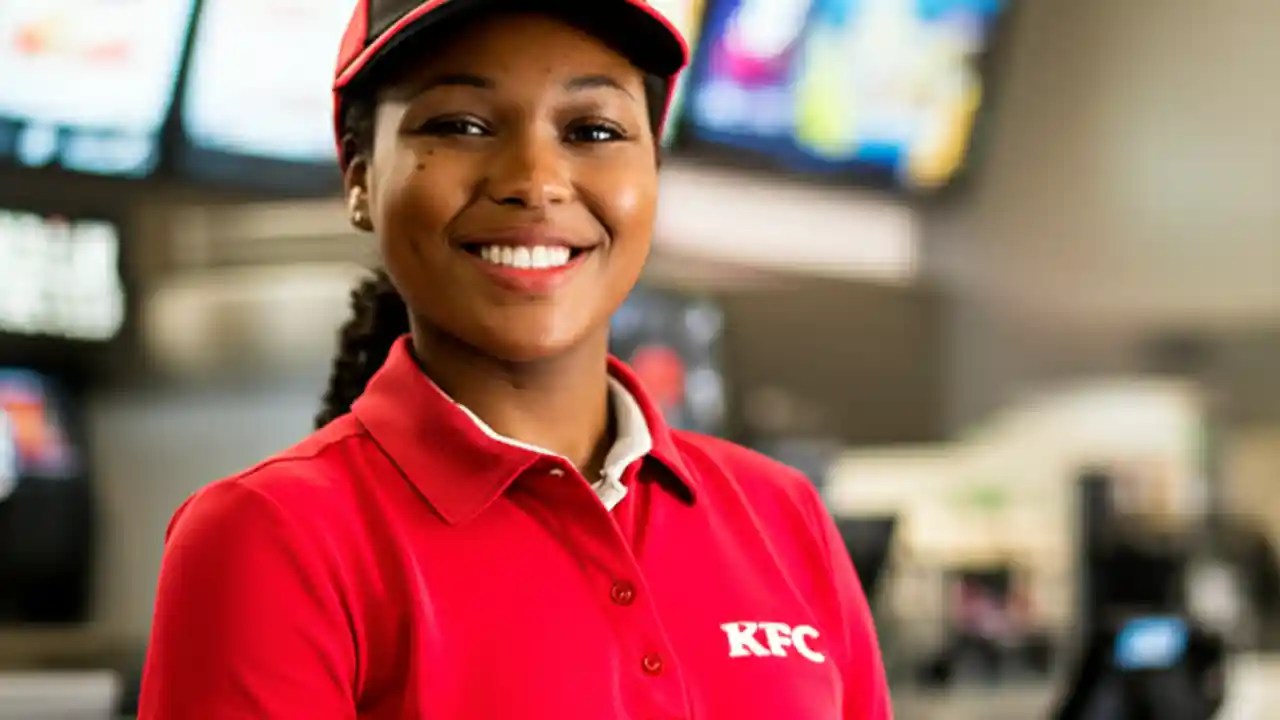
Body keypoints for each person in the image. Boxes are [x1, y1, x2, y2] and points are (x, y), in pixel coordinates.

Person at [139, 1, 892, 718]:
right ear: (360, 176)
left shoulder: (783, 517)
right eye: (461, 125)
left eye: (594, 131)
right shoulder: (269, 537)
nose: (534, 180)